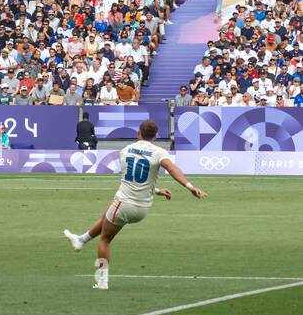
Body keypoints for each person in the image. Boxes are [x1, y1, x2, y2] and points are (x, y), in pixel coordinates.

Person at [63, 120, 206, 290]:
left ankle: (102, 281)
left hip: (124, 204)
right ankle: (82, 239)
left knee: (105, 239)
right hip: (143, 209)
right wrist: (188, 187)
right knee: (107, 216)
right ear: (155, 136)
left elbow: (131, 179)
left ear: (139, 133)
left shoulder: (125, 151)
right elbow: (170, 169)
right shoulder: (159, 152)